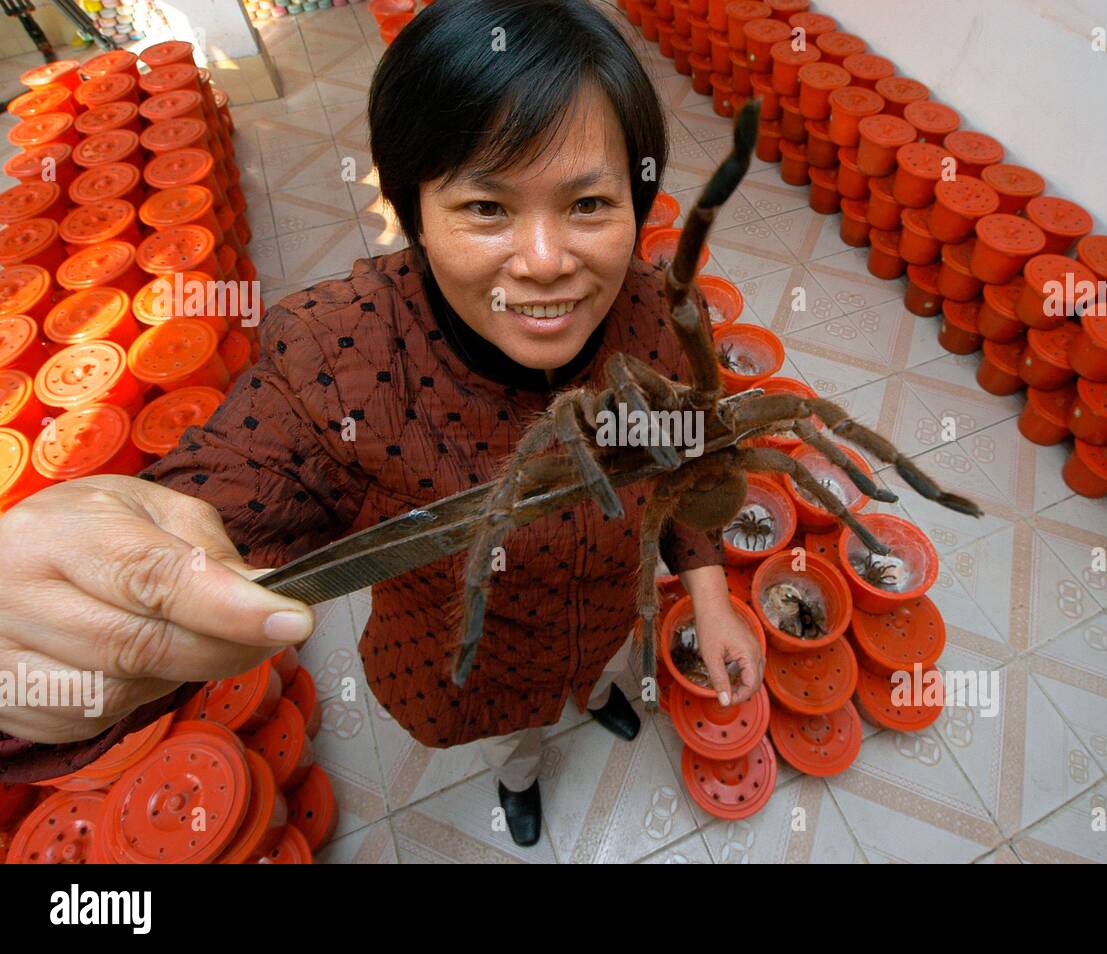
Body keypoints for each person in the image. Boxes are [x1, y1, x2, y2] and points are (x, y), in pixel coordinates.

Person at [0, 0, 764, 847]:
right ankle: (521, 780)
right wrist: (78, 602)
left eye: (589, 204)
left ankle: (602, 693)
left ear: (638, 201)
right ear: (413, 209)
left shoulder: (655, 317)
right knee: (521, 736)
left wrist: (708, 590)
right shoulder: (340, 359)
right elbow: (221, 496)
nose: (547, 262)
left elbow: (684, 466)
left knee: (601, 674)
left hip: (611, 613)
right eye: (486, 208)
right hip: (483, 667)